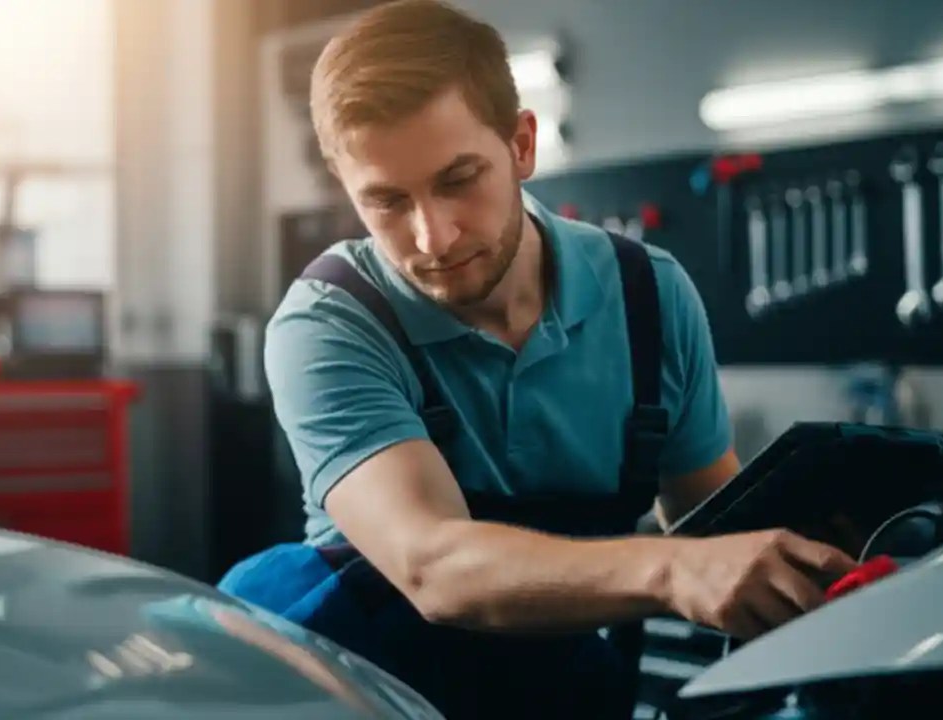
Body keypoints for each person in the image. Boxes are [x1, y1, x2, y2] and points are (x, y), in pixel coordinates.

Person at [220, 1, 857, 715]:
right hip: (365, 699)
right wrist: (673, 569)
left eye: (459, 179)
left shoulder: (651, 297)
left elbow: (716, 529)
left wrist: (810, 561)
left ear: (522, 144)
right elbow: (434, 568)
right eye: (388, 201)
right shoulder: (330, 323)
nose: (433, 237)